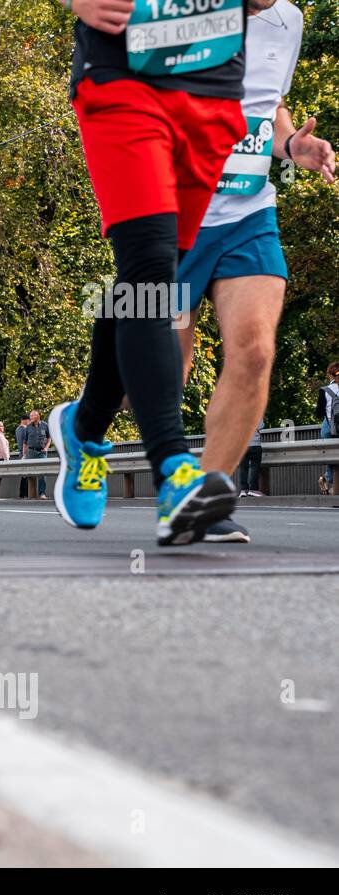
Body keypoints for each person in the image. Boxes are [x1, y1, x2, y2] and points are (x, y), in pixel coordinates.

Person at [51, 0, 248, 546]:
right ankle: (173, 472)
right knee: (153, 276)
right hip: (123, 74)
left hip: (211, 84)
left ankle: (85, 426)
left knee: (146, 281)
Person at [175, 0, 331, 542]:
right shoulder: (169, 12)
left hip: (247, 212)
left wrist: (290, 145)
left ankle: (202, 500)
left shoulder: (288, 20)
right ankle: (84, 421)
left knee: (256, 349)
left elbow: (270, 100)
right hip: (167, 215)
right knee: (161, 372)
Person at [319, 361, 339, 494]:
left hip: (329, 427)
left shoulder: (324, 390)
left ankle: (328, 479)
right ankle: (331, 483)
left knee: (332, 456)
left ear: (329, 375)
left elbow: (319, 412)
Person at [22, 409, 50, 500]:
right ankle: (31, 493)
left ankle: (42, 493)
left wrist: (46, 448)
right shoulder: (28, 427)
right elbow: (25, 442)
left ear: (38, 416)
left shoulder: (45, 425)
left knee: (42, 473)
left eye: (32, 416)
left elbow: (49, 438)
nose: (31, 417)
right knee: (30, 472)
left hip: (42, 452)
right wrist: (24, 454)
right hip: (31, 451)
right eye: (30, 416)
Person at [238, 420, 265, 500]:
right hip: (254, 444)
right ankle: (253, 489)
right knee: (254, 467)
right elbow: (261, 426)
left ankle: (243, 490)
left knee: (243, 468)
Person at [14, 414, 30, 498]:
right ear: (25, 420)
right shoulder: (24, 429)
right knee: (26, 475)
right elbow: (25, 442)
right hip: (24, 453)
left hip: (21, 453)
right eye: (29, 420)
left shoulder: (17, 429)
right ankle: (24, 493)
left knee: (24, 474)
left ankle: (23, 493)